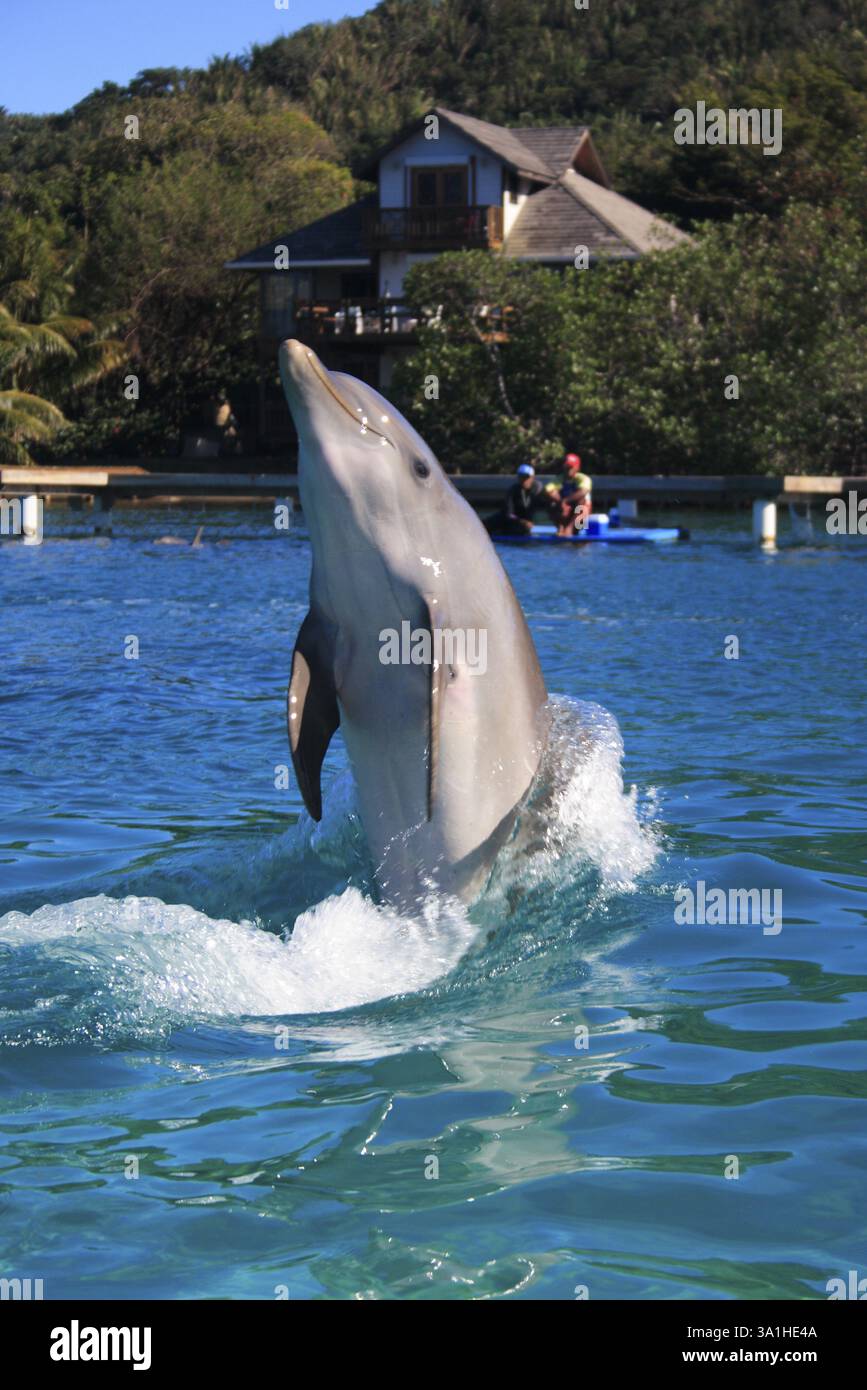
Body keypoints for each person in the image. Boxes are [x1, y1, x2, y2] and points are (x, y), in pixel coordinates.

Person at [484, 464, 546, 536]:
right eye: (521, 477)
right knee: (486, 525)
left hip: (524, 522)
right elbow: (509, 514)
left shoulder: (537, 489)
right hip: (508, 519)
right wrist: (522, 522)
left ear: (532, 478)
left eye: (527, 477)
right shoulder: (513, 491)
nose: (524, 480)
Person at [544, 453, 592, 536]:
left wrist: (565, 501)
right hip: (566, 511)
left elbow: (583, 491)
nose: (568, 470)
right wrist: (561, 503)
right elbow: (548, 490)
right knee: (550, 501)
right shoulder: (559, 478)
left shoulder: (583, 478)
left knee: (581, 500)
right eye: (566, 467)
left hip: (580, 519)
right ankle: (561, 527)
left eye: (570, 467)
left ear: (577, 468)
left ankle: (571, 528)